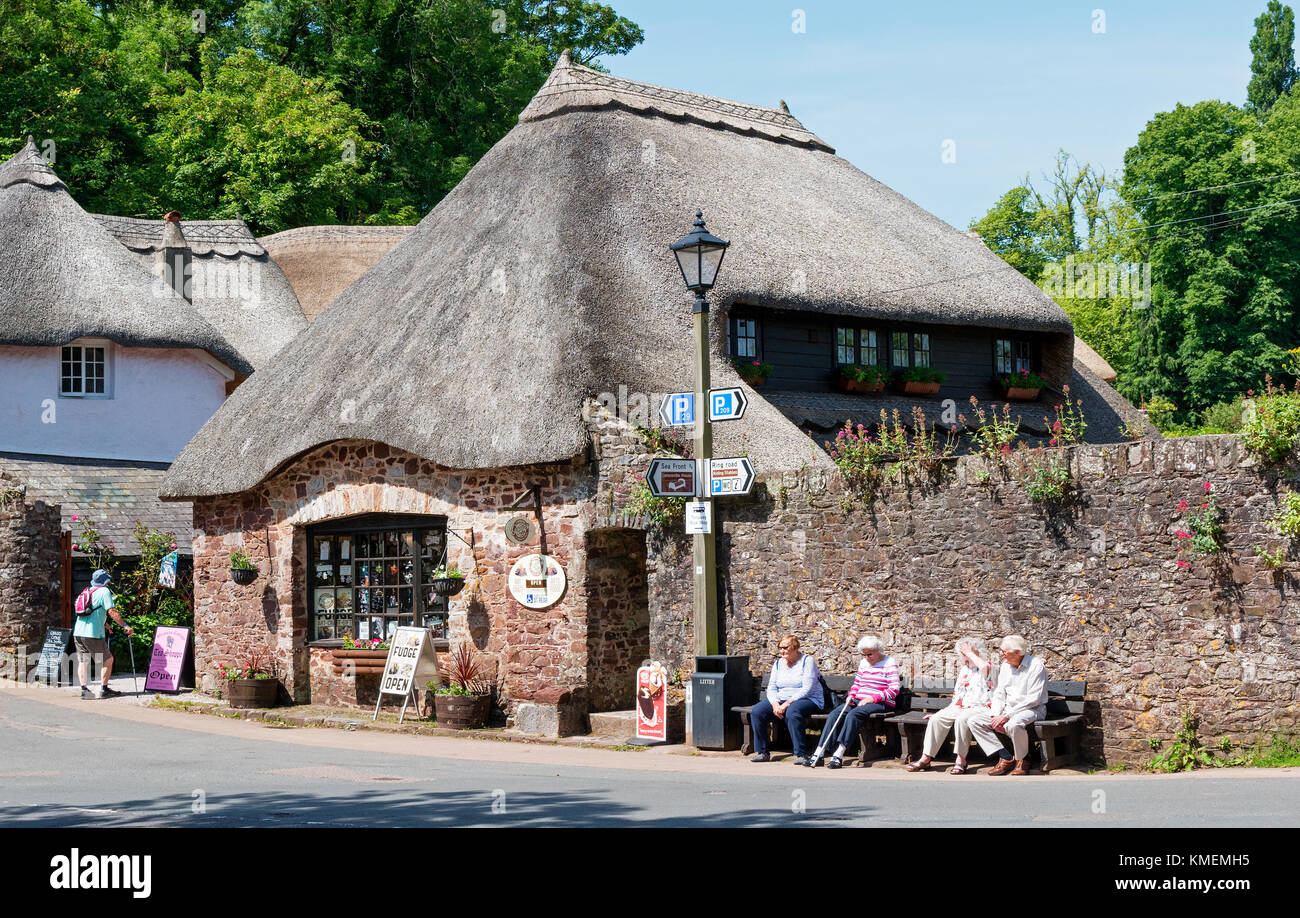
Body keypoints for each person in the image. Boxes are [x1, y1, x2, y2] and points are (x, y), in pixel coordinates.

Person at [905, 637, 997, 775]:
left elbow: (984, 668)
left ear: (976, 652)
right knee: (936, 719)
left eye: (965, 654)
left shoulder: (991, 666)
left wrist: (971, 653)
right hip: (961, 707)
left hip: (981, 707)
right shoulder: (965, 670)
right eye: (963, 655)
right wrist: (940, 713)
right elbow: (957, 698)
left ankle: (961, 760)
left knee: (962, 719)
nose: (963, 658)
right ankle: (926, 758)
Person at [809, 635, 900, 769]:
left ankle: (839, 754)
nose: (867, 657)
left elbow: (894, 689)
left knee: (854, 715)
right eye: (864, 654)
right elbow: (857, 684)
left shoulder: (889, 663)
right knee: (835, 714)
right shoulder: (864, 663)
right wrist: (851, 695)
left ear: (879, 650)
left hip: (882, 702)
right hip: (859, 700)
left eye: (870, 654)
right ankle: (820, 752)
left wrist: (872, 698)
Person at [965, 634, 1048, 775]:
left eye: (1004, 651)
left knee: (1013, 724)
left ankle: (1023, 760)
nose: (1001, 654)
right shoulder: (1005, 666)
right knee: (974, 721)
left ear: (1017, 652)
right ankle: (1006, 757)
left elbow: (1034, 699)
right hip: (1007, 710)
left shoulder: (1036, 666)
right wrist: (995, 715)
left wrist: (1006, 716)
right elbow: (999, 693)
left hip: (1032, 709)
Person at [749, 635, 825, 765]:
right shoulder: (778, 663)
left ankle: (801, 754)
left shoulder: (807, 661)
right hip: (781, 698)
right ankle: (762, 752)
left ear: (795, 648)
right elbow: (772, 687)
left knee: (793, 712)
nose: (782, 651)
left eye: (785, 648)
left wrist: (787, 703)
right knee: (757, 711)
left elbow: (807, 689)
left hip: (808, 698)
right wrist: (774, 704)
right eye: (780, 648)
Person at [74, 569, 133, 700]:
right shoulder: (104, 592)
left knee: (83, 661)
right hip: (92, 633)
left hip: (78, 632)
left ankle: (84, 690)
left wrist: (105, 624)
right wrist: (125, 625)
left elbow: (86, 612)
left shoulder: (86, 592)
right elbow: (111, 611)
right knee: (108, 659)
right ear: (105, 581)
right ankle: (104, 689)